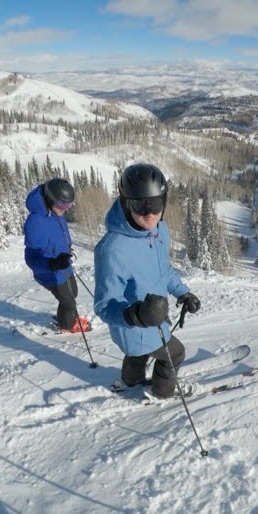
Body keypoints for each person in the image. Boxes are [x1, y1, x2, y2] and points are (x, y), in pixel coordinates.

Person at [93, 163, 202, 400]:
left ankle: (130, 381)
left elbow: (163, 270)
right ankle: (163, 394)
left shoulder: (159, 230)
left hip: (154, 317)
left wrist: (183, 293)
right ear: (125, 203)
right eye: (139, 205)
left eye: (155, 203)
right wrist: (136, 315)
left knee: (139, 355)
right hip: (135, 327)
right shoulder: (112, 250)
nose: (149, 213)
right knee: (175, 354)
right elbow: (103, 305)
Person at [23, 177, 90, 334]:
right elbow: (31, 258)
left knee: (73, 292)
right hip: (50, 271)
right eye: (62, 204)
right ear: (50, 198)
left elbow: (59, 235)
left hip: (63, 265)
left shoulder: (55, 212)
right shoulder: (35, 222)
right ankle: (67, 325)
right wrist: (51, 264)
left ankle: (66, 318)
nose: (65, 209)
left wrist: (67, 249)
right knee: (68, 301)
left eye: (68, 205)